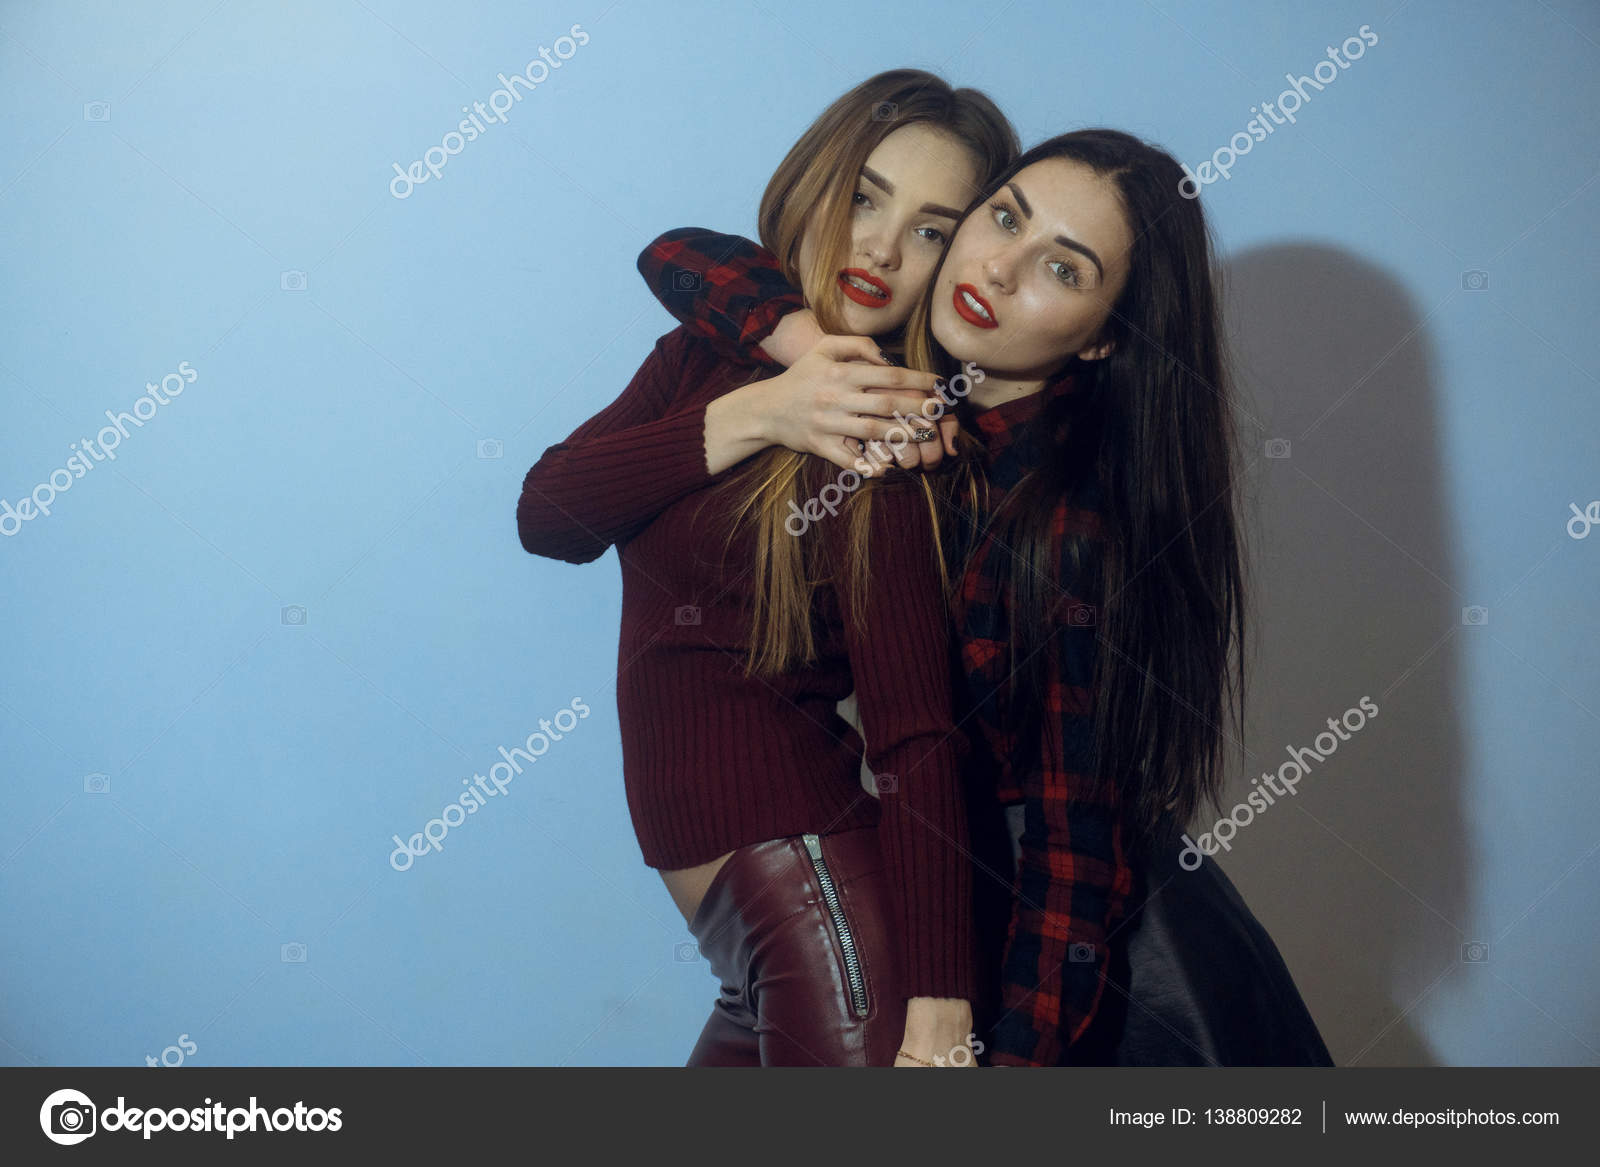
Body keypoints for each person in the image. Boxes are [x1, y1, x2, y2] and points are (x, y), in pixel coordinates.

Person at [635, 128, 1335, 1066]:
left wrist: (999, 1060)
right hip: (931, 917)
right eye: (1004, 218)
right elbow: (682, 256)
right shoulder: (911, 403)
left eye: (1062, 268)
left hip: (1061, 971)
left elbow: (1074, 853)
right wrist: (813, 353)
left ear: (1105, 336)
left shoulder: (1071, 526)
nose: (1000, 268)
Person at [517, 69, 1020, 1066]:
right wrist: (765, 410)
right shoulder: (701, 360)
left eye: (930, 230)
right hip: (746, 948)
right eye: (866, 197)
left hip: (822, 923)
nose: (882, 248)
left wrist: (940, 1009)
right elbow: (551, 515)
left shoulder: (885, 439)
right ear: (819, 182)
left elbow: (918, 737)